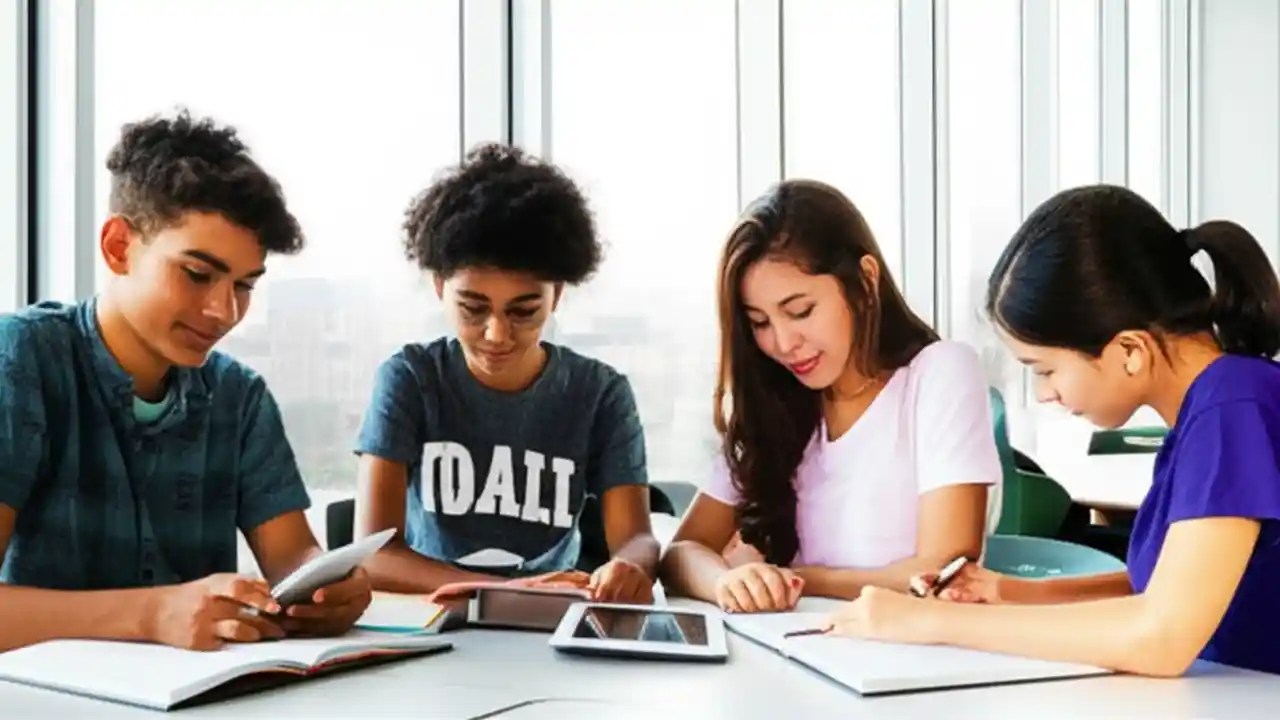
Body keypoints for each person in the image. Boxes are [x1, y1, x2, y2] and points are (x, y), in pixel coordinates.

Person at [826, 184, 1280, 677]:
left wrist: (931, 621)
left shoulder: (1232, 406)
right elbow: (1162, 588)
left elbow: (1162, 636)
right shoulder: (1212, 409)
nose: (1044, 393)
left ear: (1129, 349)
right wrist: (1008, 593)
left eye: (1044, 369)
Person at [0, 112, 371, 652]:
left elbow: (294, 559)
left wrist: (329, 588)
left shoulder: (239, 396)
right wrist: (153, 614)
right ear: (118, 247)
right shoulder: (22, 358)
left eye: (244, 285)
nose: (224, 311)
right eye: (197, 274)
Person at [659, 180, 999, 612]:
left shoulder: (939, 373)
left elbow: (943, 570)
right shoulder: (777, 406)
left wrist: (797, 579)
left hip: (911, 662)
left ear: (865, 280)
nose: (782, 343)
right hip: (800, 650)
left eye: (800, 311)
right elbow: (682, 552)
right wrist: (728, 582)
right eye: (759, 323)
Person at [353, 144, 657, 604]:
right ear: (439, 286)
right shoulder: (410, 379)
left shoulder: (600, 393)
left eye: (524, 311)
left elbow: (637, 540)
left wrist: (629, 567)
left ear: (556, 295)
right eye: (473, 309)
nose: (496, 334)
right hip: (435, 618)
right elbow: (372, 555)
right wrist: (510, 590)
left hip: (550, 620)